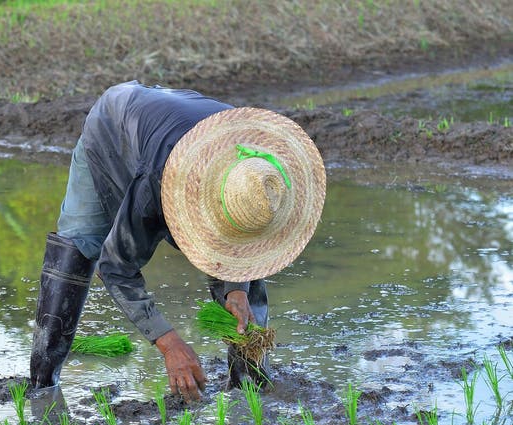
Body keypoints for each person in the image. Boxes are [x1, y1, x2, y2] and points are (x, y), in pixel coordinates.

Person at [29, 81, 325, 401]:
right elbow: (115, 267)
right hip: (115, 126)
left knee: (242, 248)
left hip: (173, 121)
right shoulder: (155, 184)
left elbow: (240, 239)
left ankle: (249, 381)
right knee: (81, 239)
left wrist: (237, 288)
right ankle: (43, 383)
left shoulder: (254, 166)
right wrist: (170, 344)